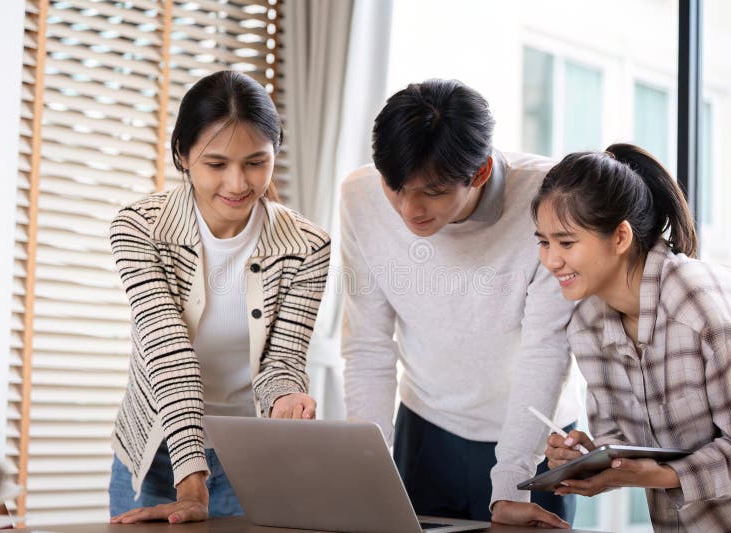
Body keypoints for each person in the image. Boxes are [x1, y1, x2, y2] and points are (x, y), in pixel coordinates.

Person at [340, 78, 583, 528]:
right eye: (396, 186)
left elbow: (545, 352)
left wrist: (511, 481)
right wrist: (366, 472)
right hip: (427, 427)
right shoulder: (360, 196)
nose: (410, 209)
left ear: (481, 171)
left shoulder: (549, 198)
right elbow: (368, 345)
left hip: (536, 435)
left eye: (432, 191)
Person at [107, 70, 331, 524]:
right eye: (216, 164)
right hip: (155, 454)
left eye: (255, 162)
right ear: (182, 156)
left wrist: (286, 398)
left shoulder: (307, 246)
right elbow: (168, 352)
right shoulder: (140, 228)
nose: (237, 183)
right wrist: (193, 482)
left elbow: (282, 360)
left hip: (252, 461)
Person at [532, 143, 731, 532]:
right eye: (543, 242)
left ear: (620, 237)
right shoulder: (586, 324)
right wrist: (589, 455)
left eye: (566, 243)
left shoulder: (698, 306)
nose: (551, 260)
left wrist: (656, 476)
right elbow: (628, 441)